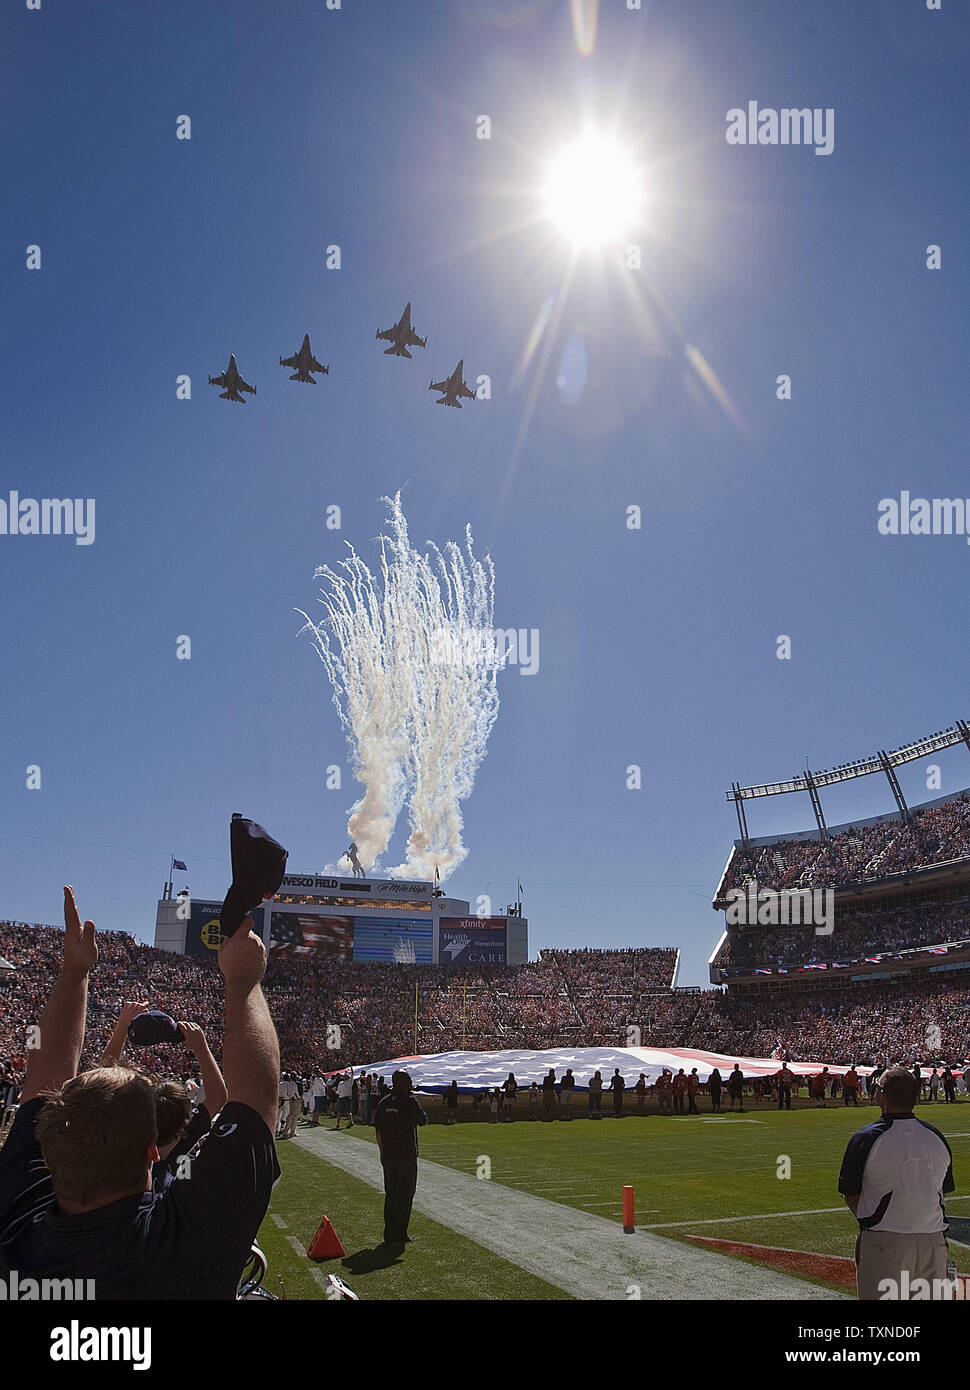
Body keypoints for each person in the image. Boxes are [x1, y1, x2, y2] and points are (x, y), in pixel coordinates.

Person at [0, 888, 280, 1299]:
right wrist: (243, 985)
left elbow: (42, 1079)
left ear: (47, 1146)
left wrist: (74, 974)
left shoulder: (18, 1219)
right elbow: (255, 1102)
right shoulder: (179, 1244)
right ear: (153, 1151)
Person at [838, 1066, 955, 1301]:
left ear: (882, 1094)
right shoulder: (936, 1137)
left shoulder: (866, 1138)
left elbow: (850, 1193)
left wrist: (874, 1219)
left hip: (885, 1242)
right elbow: (941, 1190)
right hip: (933, 1240)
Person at [373, 1069, 427, 1251]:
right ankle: (400, 1233)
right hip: (406, 1155)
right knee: (405, 1195)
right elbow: (423, 1120)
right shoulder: (409, 1101)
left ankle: (389, 1234)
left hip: (388, 1155)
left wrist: (382, 1150)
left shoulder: (384, 1102)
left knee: (391, 1194)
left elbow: (378, 1130)